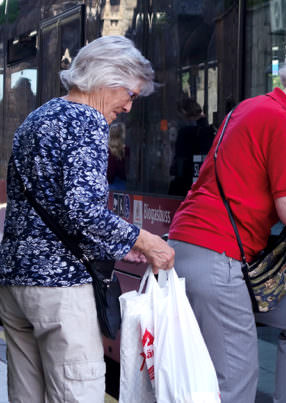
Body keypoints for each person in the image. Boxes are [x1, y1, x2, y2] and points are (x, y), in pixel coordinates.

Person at [167, 47, 286, 403]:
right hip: (217, 256)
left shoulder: (250, 108)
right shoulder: (281, 122)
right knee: (236, 379)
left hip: (196, 248)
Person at [0, 35, 175, 402]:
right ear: (108, 80)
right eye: (131, 95)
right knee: (78, 392)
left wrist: (115, 246)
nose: (129, 107)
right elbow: (84, 209)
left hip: (15, 284)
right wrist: (145, 240)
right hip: (59, 291)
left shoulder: (38, 117)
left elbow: (50, 204)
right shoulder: (87, 120)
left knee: (26, 396)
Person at [168, 98, 215, 196]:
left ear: (184, 113)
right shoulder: (210, 131)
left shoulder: (185, 131)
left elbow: (180, 159)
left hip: (185, 181)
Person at [107, 122, 129, 190]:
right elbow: (127, 169)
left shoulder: (105, 149)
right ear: (122, 135)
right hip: (120, 184)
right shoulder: (126, 150)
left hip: (107, 183)